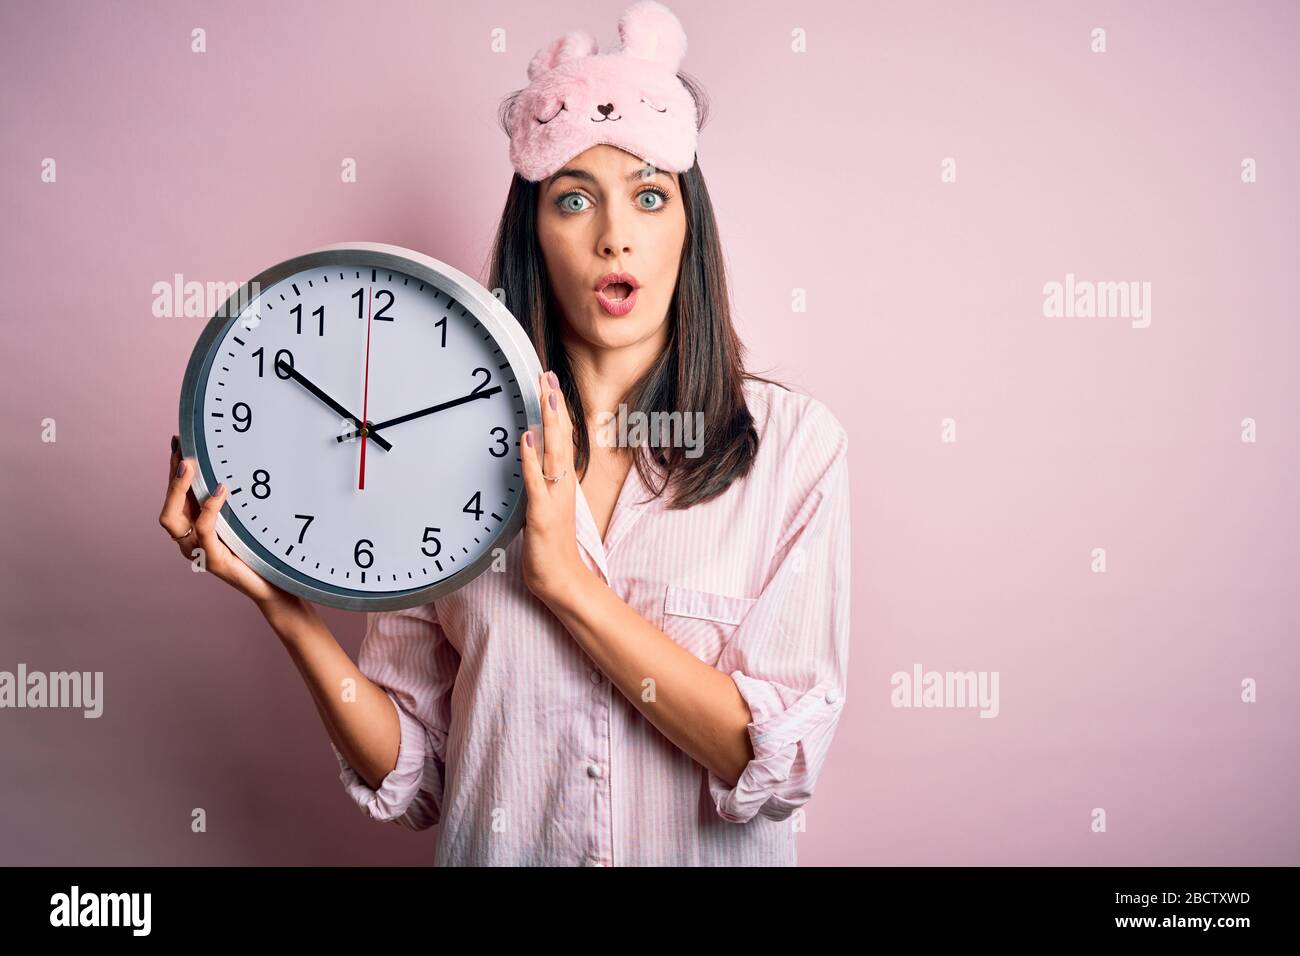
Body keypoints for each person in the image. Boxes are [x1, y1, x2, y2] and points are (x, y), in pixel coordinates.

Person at [158, 0, 851, 866]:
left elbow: (771, 762)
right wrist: (283, 604)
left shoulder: (793, 448)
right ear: (535, 231)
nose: (614, 238)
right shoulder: (436, 459)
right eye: (573, 200)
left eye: (647, 197)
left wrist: (564, 584)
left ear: (688, 228)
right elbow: (412, 772)